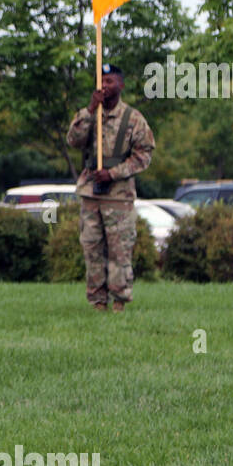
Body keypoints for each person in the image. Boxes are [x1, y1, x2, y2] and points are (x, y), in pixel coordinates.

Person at [65, 63, 154, 312]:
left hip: (118, 195)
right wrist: (89, 110)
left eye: (110, 82)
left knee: (119, 250)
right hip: (91, 191)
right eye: (101, 81)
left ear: (121, 85)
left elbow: (144, 155)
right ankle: (97, 301)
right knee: (92, 247)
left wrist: (113, 173)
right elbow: (73, 140)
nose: (105, 86)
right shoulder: (91, 114)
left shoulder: (133, 119)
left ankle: (119, 301)